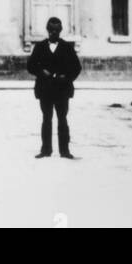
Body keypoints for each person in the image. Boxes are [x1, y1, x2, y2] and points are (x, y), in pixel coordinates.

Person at [27, 16, 81, 159]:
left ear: (61, 31)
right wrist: (41, 71)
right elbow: (30, 66)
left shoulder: (67, 48)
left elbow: (76, 67)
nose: (53, 33)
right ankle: (46, 150)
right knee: (46, 119)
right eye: (51, 30)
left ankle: (65, 151)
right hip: (45, 90)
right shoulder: (40, 47)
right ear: (47, 30)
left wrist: (66, 77)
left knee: (62, 119)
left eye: (56, 30)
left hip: (62, 91)